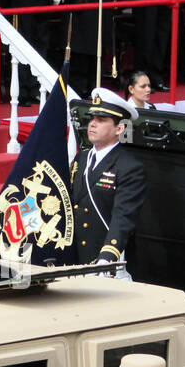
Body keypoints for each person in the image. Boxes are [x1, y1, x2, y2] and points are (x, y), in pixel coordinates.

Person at [69, 87, 146, 271]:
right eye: (92, 118)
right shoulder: (82, 158)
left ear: (119, 128)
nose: (93, 124)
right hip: (73, 256)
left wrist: (108, 256)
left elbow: (123, 216)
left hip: (103, 257)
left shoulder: (130, 167)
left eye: (101, 120)